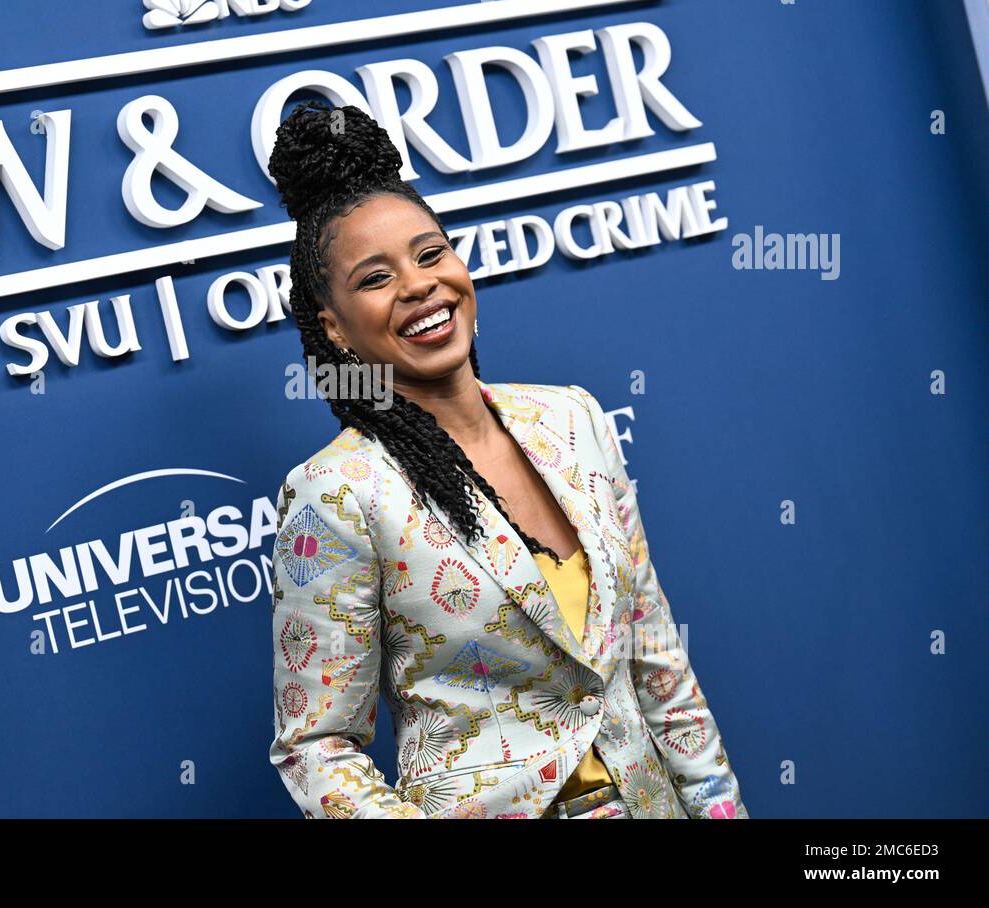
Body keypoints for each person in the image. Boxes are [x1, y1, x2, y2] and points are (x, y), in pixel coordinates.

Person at [265, 99, 749, 819]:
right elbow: (316, 746)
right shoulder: (336, 494)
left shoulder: (573, 419)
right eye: (376, 278)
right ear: (332, 327)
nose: (420, 284)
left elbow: (656, 658)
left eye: (431, 253)